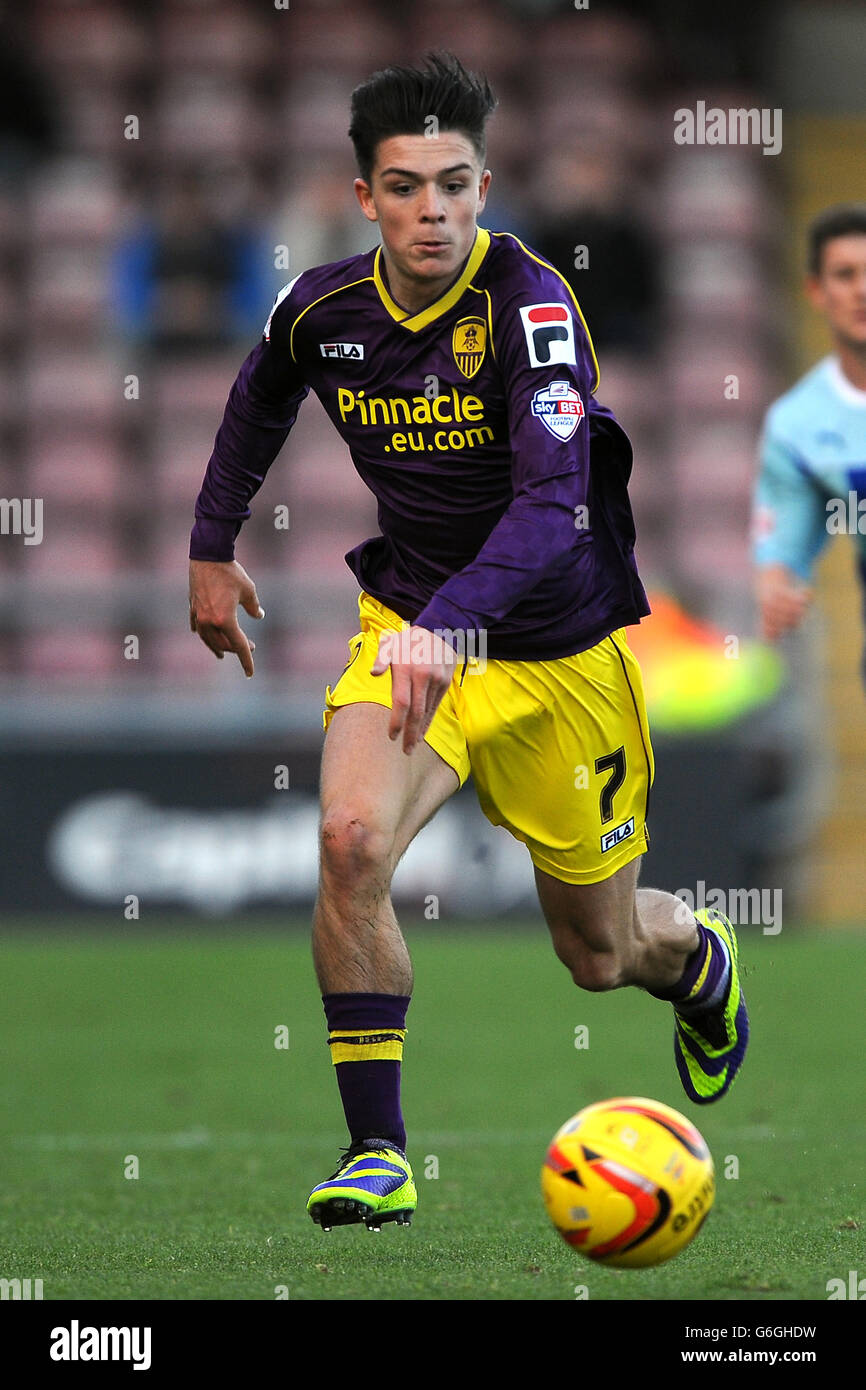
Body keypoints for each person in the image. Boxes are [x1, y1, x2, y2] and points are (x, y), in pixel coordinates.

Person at [188, 54, 748, 1234]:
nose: (429, 210)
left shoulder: (533, 309)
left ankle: (696, 964)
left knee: (597, 955)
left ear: (484, 186)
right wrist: (209, 541)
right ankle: (376, 1153)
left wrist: (455, 624)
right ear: (364, 200)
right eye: (403, 188)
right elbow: (259, 392)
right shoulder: (322, 310)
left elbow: (552, 507)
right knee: (347, 840)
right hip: (409, 633)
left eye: (451, 184)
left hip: (558, 654)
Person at [754, 204, 866, 669]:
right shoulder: (797, 425)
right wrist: (776, 588)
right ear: (816, 291)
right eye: (845, 274)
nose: (863, 290)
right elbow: (784, 542)